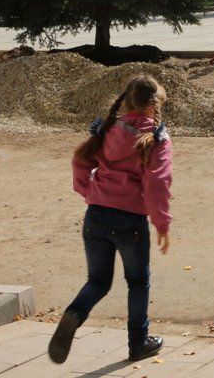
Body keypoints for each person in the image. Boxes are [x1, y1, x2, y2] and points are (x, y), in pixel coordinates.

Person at [48, 75, 173, 365]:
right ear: (155, 107)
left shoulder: (106, 129)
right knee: (138, 282)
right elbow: (157, 183)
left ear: (126, 102)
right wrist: (162, 224)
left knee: (98, 281)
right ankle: (138, 343)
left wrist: (89, 192)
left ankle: (74, 314)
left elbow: (80, 162)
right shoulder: (156, 138)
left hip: (96, 215)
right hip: (131, 222)